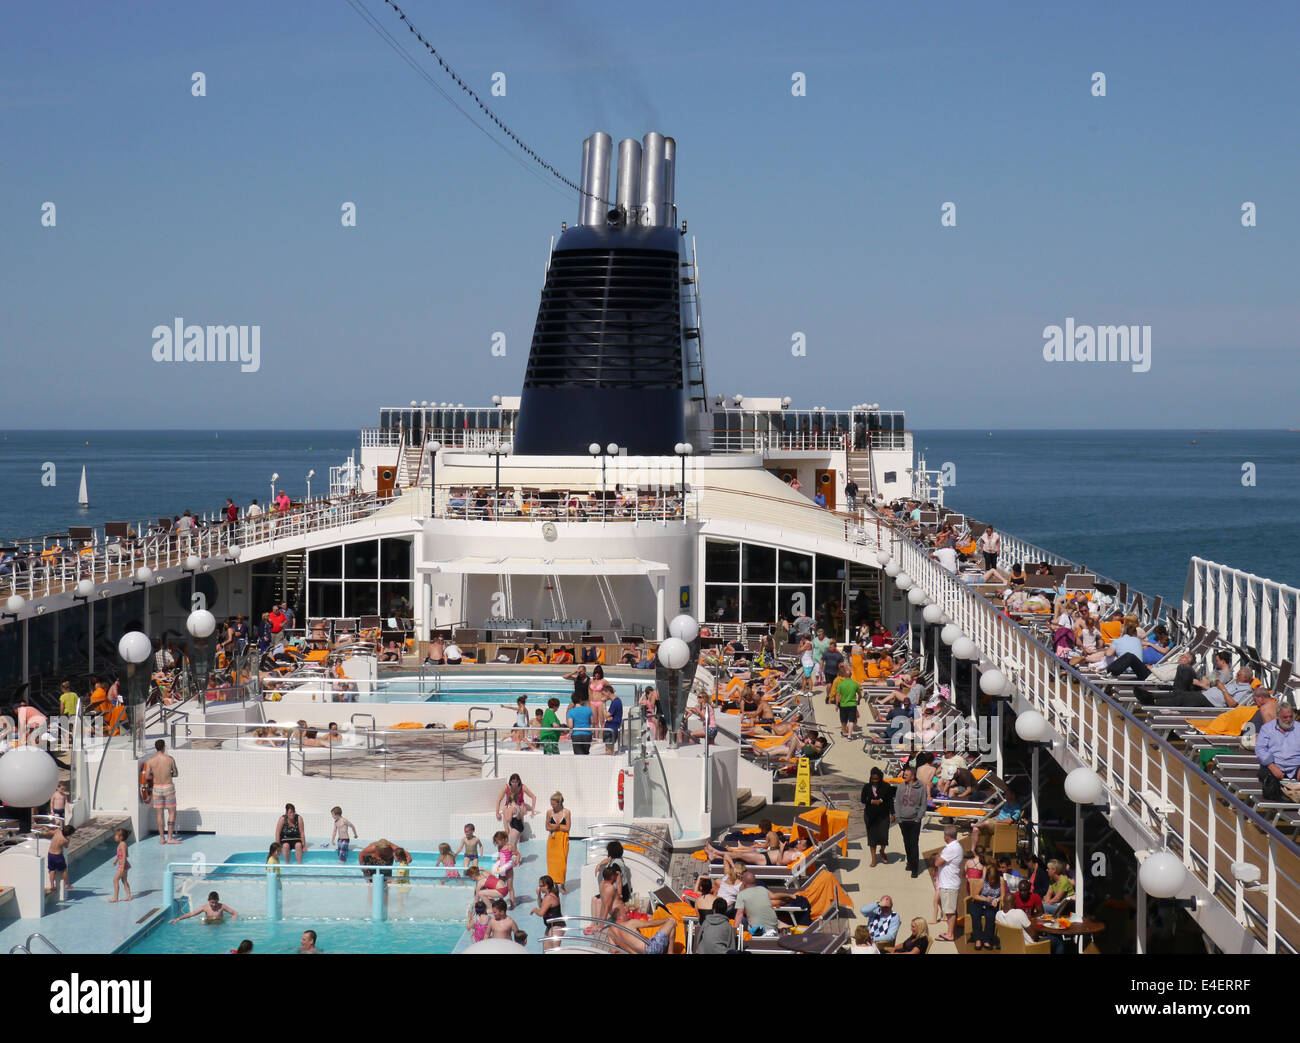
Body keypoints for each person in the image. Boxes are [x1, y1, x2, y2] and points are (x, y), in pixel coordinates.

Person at [1256, 702, 1300, 800]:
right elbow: (1260, 749)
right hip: (1274, 766)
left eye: (1291, 717)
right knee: (1270, 788)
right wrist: (1272, 766)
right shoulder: (1267, 729)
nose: (1288, 720)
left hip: (1296, 767)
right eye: (1285, 717)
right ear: (1277, 716)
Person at [145, 739, 180, 845]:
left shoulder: (150, 761)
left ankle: (162, 838)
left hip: (157, 788)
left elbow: (147, 776)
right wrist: (169, 774)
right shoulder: (170, 759)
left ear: (156, 748)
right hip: (168, 787)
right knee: (172, 812)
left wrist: (155, 776)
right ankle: (170, 838)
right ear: (164, 747)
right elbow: (176, 774)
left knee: (159, 814)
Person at [934, 825, 964, 942]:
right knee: (950, 909)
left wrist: (938, 856)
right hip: (949, 883)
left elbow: (937, 863)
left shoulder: (951, 848)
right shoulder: (955, 847)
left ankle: (950, 934)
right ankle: (950, 932)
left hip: (949, 884)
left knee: (950, 911)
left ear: (947, 836)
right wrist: (940, 856)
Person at [894, 763, 925, 877]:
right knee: (907, 843)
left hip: (914, 821)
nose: (903, 776)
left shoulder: (921, 788)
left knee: (914, 844)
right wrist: (898, 817)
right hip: (903, 820)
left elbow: (923, 804)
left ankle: (915, 868)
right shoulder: (901, 787)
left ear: (912, 776)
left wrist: (918, 817)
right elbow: (897, 802)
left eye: (906, 775)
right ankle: (910, 862)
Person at [860, 767, 894, 867]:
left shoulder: (886, 787)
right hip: (870, 816)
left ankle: (882, 851)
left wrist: (893, 813)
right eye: (873, 779)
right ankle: (874, 858)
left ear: (880, 778)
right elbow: (862, 799)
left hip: (883, 816)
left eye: (876, 779)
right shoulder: (866, 787)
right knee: (872, 837)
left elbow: (890, 801)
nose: (874, 781)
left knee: (883, 837)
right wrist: (871, 801)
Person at [969, 861, 1007, 950]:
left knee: (991, 916)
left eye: (993, 880)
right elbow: (974, 895)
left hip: (991, 905)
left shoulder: (1001, 880)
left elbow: (1003, 896)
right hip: (980, 902)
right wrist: (985, 899)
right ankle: (978, 939)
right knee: (975, 914)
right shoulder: (982, 881)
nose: (992, 882)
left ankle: (987, 940)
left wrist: (996, 900)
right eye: (990, 880)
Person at [733, 870, 781, 937]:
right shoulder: (763, 889)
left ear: (743, 883)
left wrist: (734, 931)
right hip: (773, 926)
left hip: (758, 929)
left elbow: (739, 914)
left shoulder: (742, 894)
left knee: (743, 919)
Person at [496, 774, 536, 845]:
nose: (514, 784)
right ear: (510, 782)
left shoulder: (522, 787)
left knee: (521, 810)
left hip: (520, 805)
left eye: (516, 782)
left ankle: (520, 835)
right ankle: (507, 832)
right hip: (509, 805)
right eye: (513, 782)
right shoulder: (506, 787)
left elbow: (533, 797)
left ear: (519, 782)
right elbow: (499, 799)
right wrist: (497, 813)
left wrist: (533, 811)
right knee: (505, 810)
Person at [545, 792, 571, 895]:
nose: (552, 806)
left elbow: (567, 828)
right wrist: (553, 827)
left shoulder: (567, 812)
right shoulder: (549, 812)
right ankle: (555, 885)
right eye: (551, 804)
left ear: (559, 803)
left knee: (562, 864)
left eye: (554, 804)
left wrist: (557, 827)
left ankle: (562, 885)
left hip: (563, 839)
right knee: (552, 864)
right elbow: (547, 827)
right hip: (552, 840)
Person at [171, 891, 237, 925]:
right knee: (203, 923)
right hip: (209, 922)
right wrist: (178, 919)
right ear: (208, 900)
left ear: (218, 900)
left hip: (219, 922)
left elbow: (234, 912)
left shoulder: (222, 906)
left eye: (216, 902)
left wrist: (233, 919)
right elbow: (191, 914)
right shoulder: (204, 908)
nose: (214, 905)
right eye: (212, 902)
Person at [45, 823, 75, 896]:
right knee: (63, 870)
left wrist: (45, 832)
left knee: (52, 870)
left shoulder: (57, 831)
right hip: (58, 856)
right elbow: (66, 847)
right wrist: (68, 839)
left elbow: (50, 832)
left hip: (50, 854)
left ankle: (52, 886)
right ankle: (67, 884)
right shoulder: (65, 840)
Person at [108, 827, 132, 903]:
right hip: (123, 865)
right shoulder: (121, 844)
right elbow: (120, 855)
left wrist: (122, 867)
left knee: (115, 880)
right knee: (124, 880)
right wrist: (116, 861)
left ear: (121, 837)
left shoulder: (123, 844)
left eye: (116, 835)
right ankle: (128, 896)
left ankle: (115, 898)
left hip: (123, 866)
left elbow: (124, 856)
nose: (115, 837)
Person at [604, 684, 623, 753]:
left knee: (608, 751)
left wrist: (603, 703)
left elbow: (606, 715)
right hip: (612, 727)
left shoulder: (615, 702)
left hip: (611, 729)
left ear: (608, 692)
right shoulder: (616, 701)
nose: (603, 696)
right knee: (608, 750)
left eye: (604, 694)